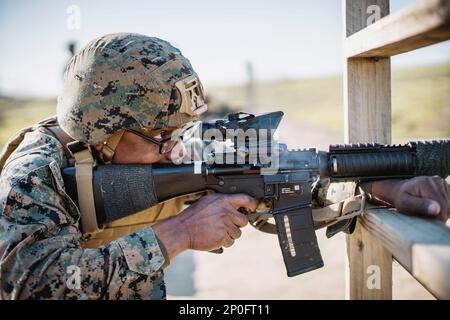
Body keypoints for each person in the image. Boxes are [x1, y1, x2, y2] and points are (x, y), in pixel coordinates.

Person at [0, 33, 448, 300]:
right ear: (104, 128)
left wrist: (368, 188)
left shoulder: (166, 145)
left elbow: (277, 174)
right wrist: (179, 233)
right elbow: (28, 285)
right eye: (161, 135)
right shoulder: (34, 174)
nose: (176, 146)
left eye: (181, 130)